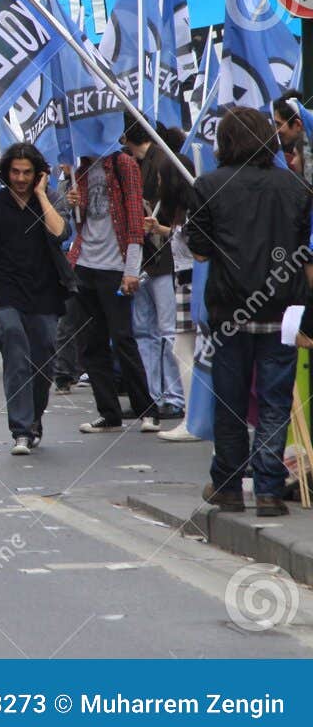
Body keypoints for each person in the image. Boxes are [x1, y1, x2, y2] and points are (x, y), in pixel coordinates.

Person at [190, 108, 313, 518]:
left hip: (230, 309)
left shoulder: (208, 185)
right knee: (275, 400)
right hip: (283, 308)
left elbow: (200, 249)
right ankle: (268, 490)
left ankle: (228, 484)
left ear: (224, 142)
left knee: (231, 399)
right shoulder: (296, 186)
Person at [0, 143, 72, 455]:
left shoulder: (51, 200)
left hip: (45, 291)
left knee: (44, 360)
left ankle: (34, 419)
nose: (21, 178)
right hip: (5, 291)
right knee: (15, 350)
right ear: (6, 172)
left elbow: (61, 233)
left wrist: (41, 194)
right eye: (15, 172)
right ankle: (21, 430)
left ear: (37, 174)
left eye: (27, 172)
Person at [63, 141, 159, 434]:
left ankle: (148, 410)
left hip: (115, 266)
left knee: (123, 339)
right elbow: (79, 222)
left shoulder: (122, 163)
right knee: (91, 344)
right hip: (84, 263)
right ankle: (109, 412)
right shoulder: (79, 168)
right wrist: (73, 204)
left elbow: (133, 218)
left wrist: (131, 268)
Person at [123, 118, 196, 421]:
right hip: (144, 257)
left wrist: (158, 224)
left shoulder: (167, 160)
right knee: (145, 331)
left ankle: (174, 396)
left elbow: (186, 223)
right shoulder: (139, 163)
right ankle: (153, 394)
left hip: (164, 259)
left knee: (167, 331)